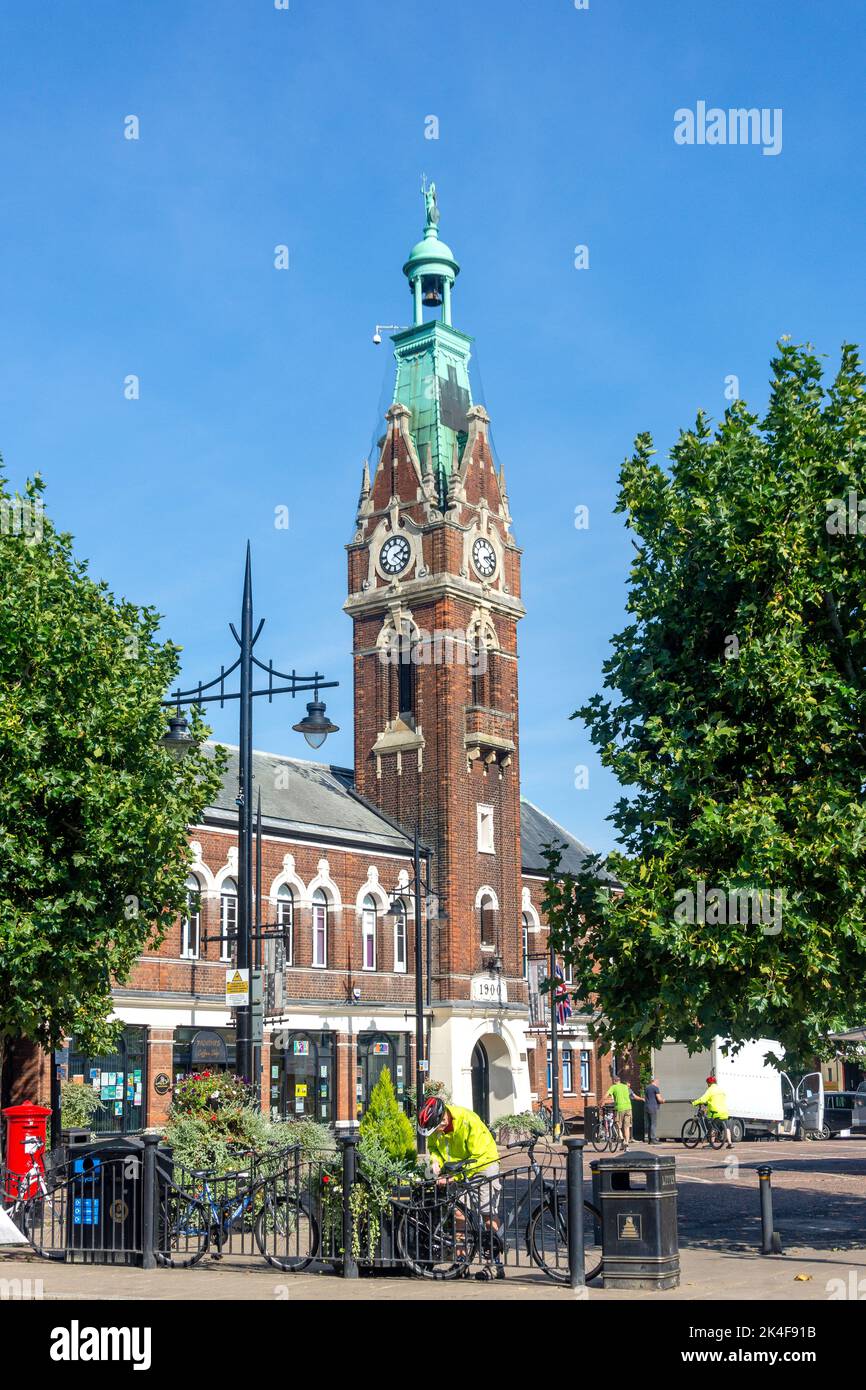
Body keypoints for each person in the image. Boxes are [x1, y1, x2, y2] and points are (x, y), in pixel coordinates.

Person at [417, 1096, 502, 1278]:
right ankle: (461, 1263)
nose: (437, 1133)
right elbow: (434, 1149)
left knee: (487, 1211)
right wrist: (435, 1163)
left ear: (444, 1118)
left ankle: (494, 1264)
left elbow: (478, 1158)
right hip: (459, 1168)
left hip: (483, 1164)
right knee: (459, 1214)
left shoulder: (467, 1120)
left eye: (437, 1128)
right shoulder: (435, 1127)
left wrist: (452, 1178)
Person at [692, 1074, 733, 1148]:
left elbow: (703, 1099)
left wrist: (694, 1103)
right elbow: (716, 1099)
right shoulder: (721, 1089)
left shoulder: (710, 1090)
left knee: (712, 1126)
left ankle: (711, 1143)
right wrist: (708, 1102)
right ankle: (730, 1143)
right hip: (724, 1111)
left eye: (707, 1083)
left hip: (714, 1111)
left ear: (709, 1083)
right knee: (726, 1127)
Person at [605, 1075, 641, 1149]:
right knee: (626, 1127)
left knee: (617, 1124)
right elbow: (633, 1096)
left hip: (620, 1108)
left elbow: (606, 1095)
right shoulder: (625, 1087)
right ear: (619, 1080)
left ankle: (621, 1138)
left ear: (614, 1081)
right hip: (628, 1108)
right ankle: (626, 1143)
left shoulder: (613, 1087)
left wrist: (601, 1102)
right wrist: (642, 1099)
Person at [644, 1076, 665, 1144]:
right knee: (653, 1123)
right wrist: (663, 1101)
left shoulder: (647, 1087)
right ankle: (653, 1139)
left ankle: (650, 1140)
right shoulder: (655, 1088)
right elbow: (659, 1098)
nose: (658, 1083)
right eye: (657, 1081)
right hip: (653, 1107)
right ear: (654, 1081)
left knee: (649, 1123)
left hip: (646, 1107)